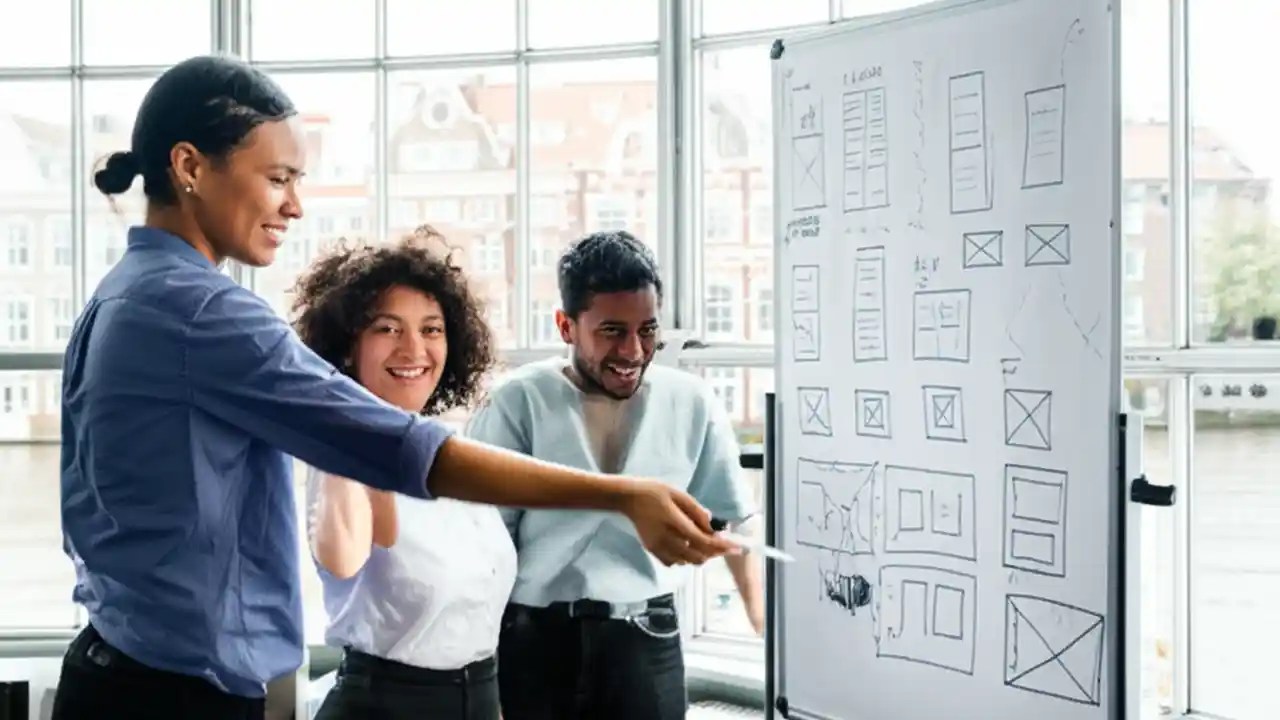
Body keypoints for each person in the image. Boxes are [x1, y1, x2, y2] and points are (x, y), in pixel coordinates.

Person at [52, 54, 734, 720]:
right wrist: (623, 495)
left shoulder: (122, 295)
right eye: (278, 178)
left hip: (121, 668)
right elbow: (406, 451)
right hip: (170, 697)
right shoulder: (203, 312)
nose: (295, 205)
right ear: (190, 167)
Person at [467, 230, 764, 720]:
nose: (633, 351)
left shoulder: (691, 400)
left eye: (647, 330)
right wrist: (480, 665)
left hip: (647, 639)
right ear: (566, 326)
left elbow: (732, 519)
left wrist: (762, 625)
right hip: (533, 641)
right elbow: (484, 547)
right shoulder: (517, 400)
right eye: (612, 331)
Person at [294, 227, 512, 719]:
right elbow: (341, 559)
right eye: (388, 329)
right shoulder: (345, 453)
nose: (414, 349)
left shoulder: (450, 446)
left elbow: (476, 618)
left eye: (431, 329)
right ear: (348, 347)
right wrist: (346, 423)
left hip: (478, 697)